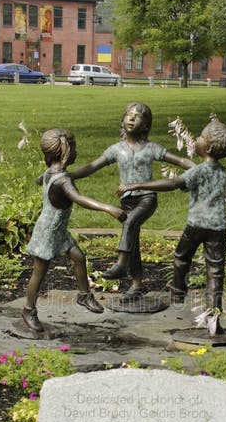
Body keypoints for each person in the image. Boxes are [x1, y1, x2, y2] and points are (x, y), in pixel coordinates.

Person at [119, 117, 226, 331]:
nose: (197, 140)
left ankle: (178, 292)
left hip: (196, 225)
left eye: (200, 137)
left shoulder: (199, 170)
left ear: (208, 146)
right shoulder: (225, 173)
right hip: (218, 227)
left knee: (182, 257)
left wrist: (137, 184)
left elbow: (173, 183)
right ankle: (214, 316)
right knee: (215, 270)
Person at [69, 102, 194, 300]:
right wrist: (69, 176)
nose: (132, 118)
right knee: (133, 240)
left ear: (146, 125)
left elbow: (180, 161)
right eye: (129, 115)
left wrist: (200, 169)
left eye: (138, 116)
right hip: (127, 202)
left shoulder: (152, 148)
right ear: (123, 120)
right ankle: (137, 284)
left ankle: (121, 264)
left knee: (130, 221)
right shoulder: (116, 150)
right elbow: (92, 166)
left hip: (147, 198)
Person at [23, 128, 126, 333]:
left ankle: (84, 295)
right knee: (39, 272)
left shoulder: (51, 173)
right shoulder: (62, 180)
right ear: (66, 152)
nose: (77, 151)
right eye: (75, 147)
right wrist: (109, 208)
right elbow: (79, 199)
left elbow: (40, 180)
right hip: (48, 232)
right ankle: (28, 309)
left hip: (57, 229)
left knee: (78, 257)